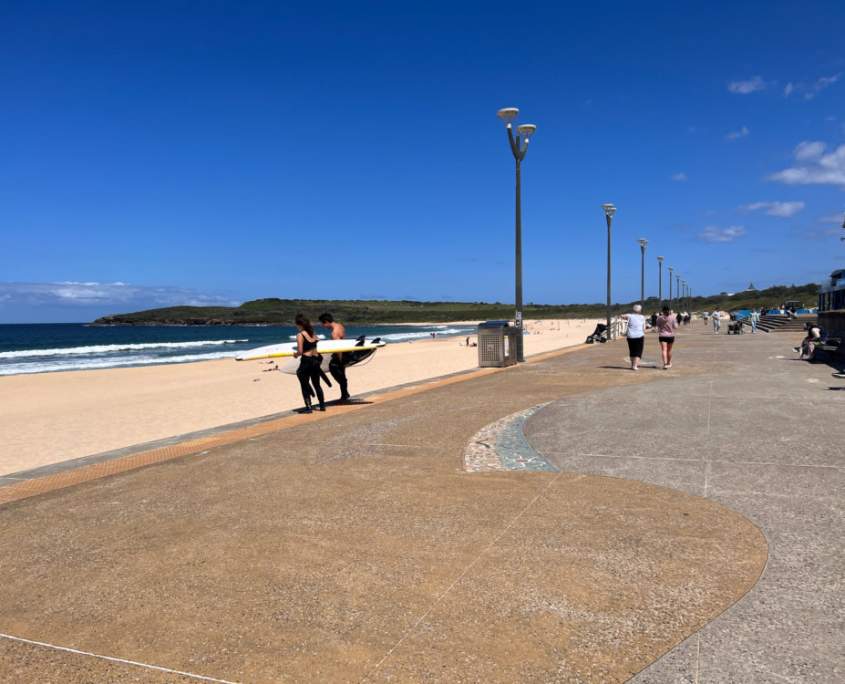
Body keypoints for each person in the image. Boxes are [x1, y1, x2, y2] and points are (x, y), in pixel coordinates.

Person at [293, 314, 325, 413]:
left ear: (299, 325)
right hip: (315, 361)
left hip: (306, 361)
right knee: (317, 384)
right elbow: (315, 348)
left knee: (304, 383)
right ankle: (322, 406)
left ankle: (309, 407)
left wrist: (295, 354)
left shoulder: (300, 335)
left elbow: (300, 351)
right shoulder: (313, 334)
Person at [319, 312, 350, 402]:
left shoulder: (334, 333)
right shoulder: (340, 326)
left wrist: (340, 361)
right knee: (342, 375)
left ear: (326, 322)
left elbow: (338, 347)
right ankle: (344, 394)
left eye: (323, 324)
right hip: (345, 352)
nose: (323, 326)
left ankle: (345, 393)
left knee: (334, 370)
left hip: (340, 354)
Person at [620, 304, 647, 370]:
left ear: (633, 309)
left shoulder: (630, 316)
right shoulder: (642, 317)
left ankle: (632, 365)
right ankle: (635, 366)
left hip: (630, 336)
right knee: (638, 352)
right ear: (640, 310)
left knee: (632, 351)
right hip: (639, 336)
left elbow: (621, 316)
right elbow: (644, 329)